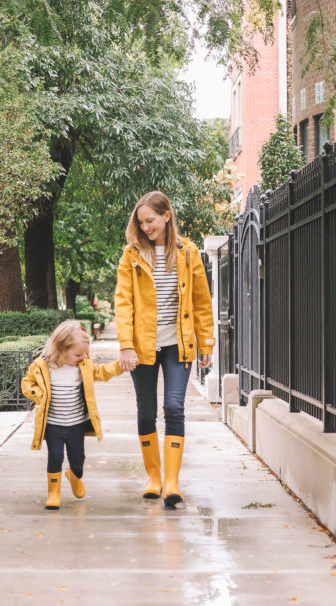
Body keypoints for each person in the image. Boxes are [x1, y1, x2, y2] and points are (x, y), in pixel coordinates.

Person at [114, 191, 214, 508]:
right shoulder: (131, 255)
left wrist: (206, 341)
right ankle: (154, 477)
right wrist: (126, 346)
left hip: (178, 346)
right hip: (142, 348)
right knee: (146, 412)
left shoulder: (188, 253)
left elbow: (201, 301)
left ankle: (172, 482)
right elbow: (123, 303)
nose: (145, 228)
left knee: (173, 408)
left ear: (166, 216)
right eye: (141, 222)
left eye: (150, 221)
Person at [21, 319, 122, 510]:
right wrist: (38, 394)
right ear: (61, 348)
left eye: (84, 353)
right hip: (53, 424)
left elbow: (101, 372)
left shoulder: (82, 365)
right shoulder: (42, 366)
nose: (81, 357)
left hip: (76, 424)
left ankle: (74, 476)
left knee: (78, 459)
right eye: (77, 353)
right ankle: (53, 494)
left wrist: (119, 366)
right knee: (55, 457)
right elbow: (27, 383)